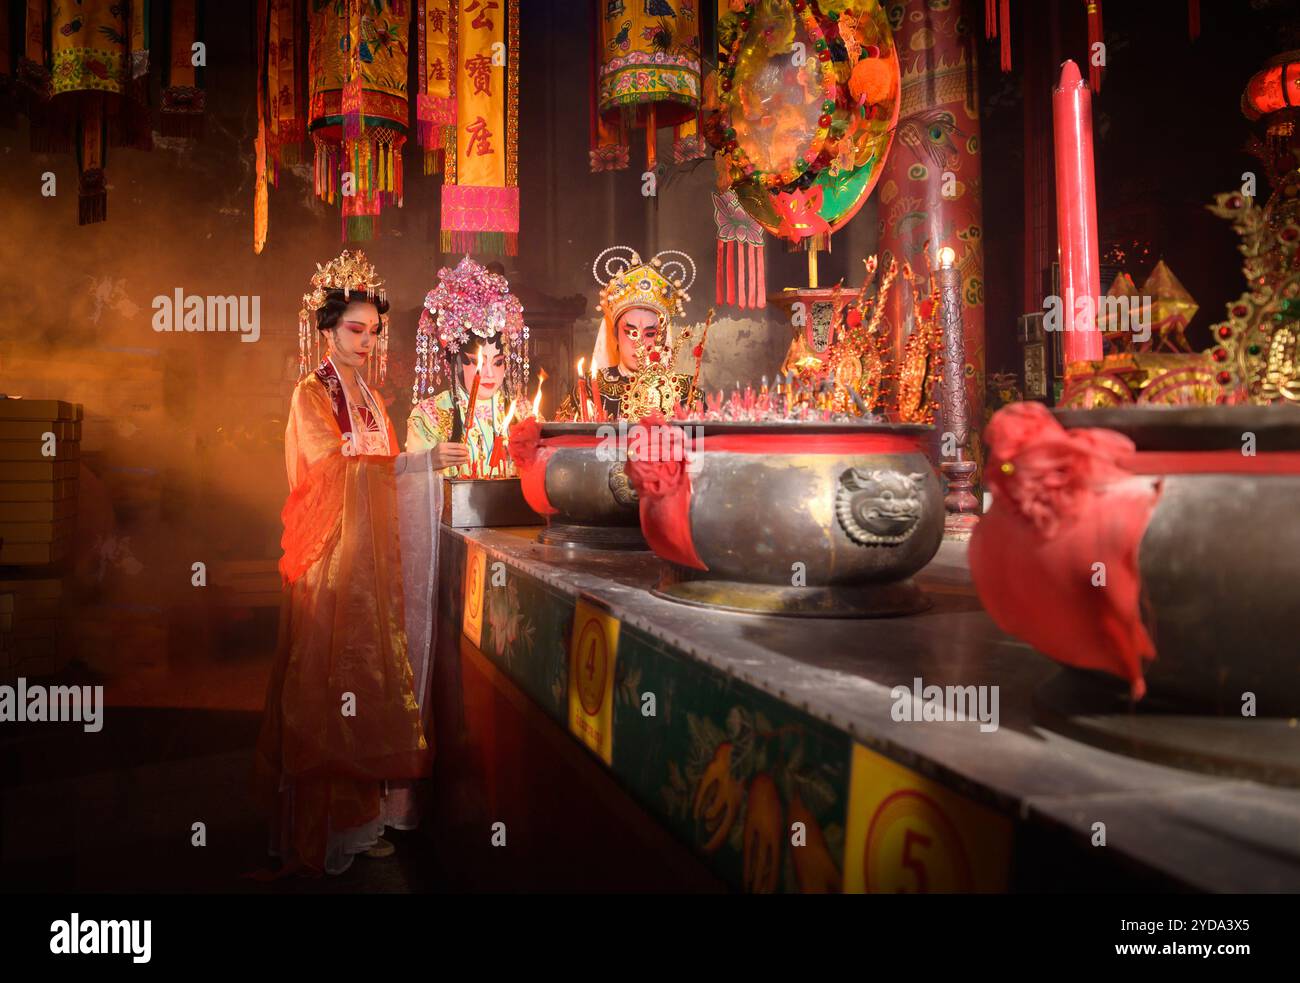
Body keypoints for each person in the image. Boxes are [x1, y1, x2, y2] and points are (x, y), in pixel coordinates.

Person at [254, 250, 432, 876]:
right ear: (328, 330)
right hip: (331, 559)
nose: (365, 342)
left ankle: (361, 821)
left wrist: (418, 465)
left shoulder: (372, 396)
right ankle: (323, 830)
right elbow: (327, 469)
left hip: (370, 562)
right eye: (355, 330)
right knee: (326, 685)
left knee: (367, 679)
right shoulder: (313, 392)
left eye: (373, 332)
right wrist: (409, 466)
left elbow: (380, 466)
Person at [406, 256, 530, 474]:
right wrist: (429, 461)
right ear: (454, 361)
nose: (489, 373)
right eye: (476, 362)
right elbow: (413, 488)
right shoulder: (429, 415)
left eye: (498, 362)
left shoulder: (522, 412)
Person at [559, 246, 702, 420]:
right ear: (615, 335)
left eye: (650, 334)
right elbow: (565, 442)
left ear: (663, 337)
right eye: (631, 332)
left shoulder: (687, 393)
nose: (639, 344)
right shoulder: (589, 389)